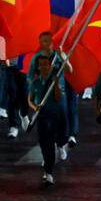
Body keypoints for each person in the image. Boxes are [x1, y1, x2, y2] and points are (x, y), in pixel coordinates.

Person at [27, 44, 65, 185]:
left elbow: (58, 97)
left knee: (50, 143)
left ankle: (49, 171)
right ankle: (47, 165)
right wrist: (35, 107)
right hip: (41, 117)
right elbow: (30, 100)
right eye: (41, 65)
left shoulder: (53, 80)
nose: (43, 67)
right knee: (44, 144)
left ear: (50, 65)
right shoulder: (35, 83)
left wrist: (55, 85)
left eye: (46, 64)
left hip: (53, 115)